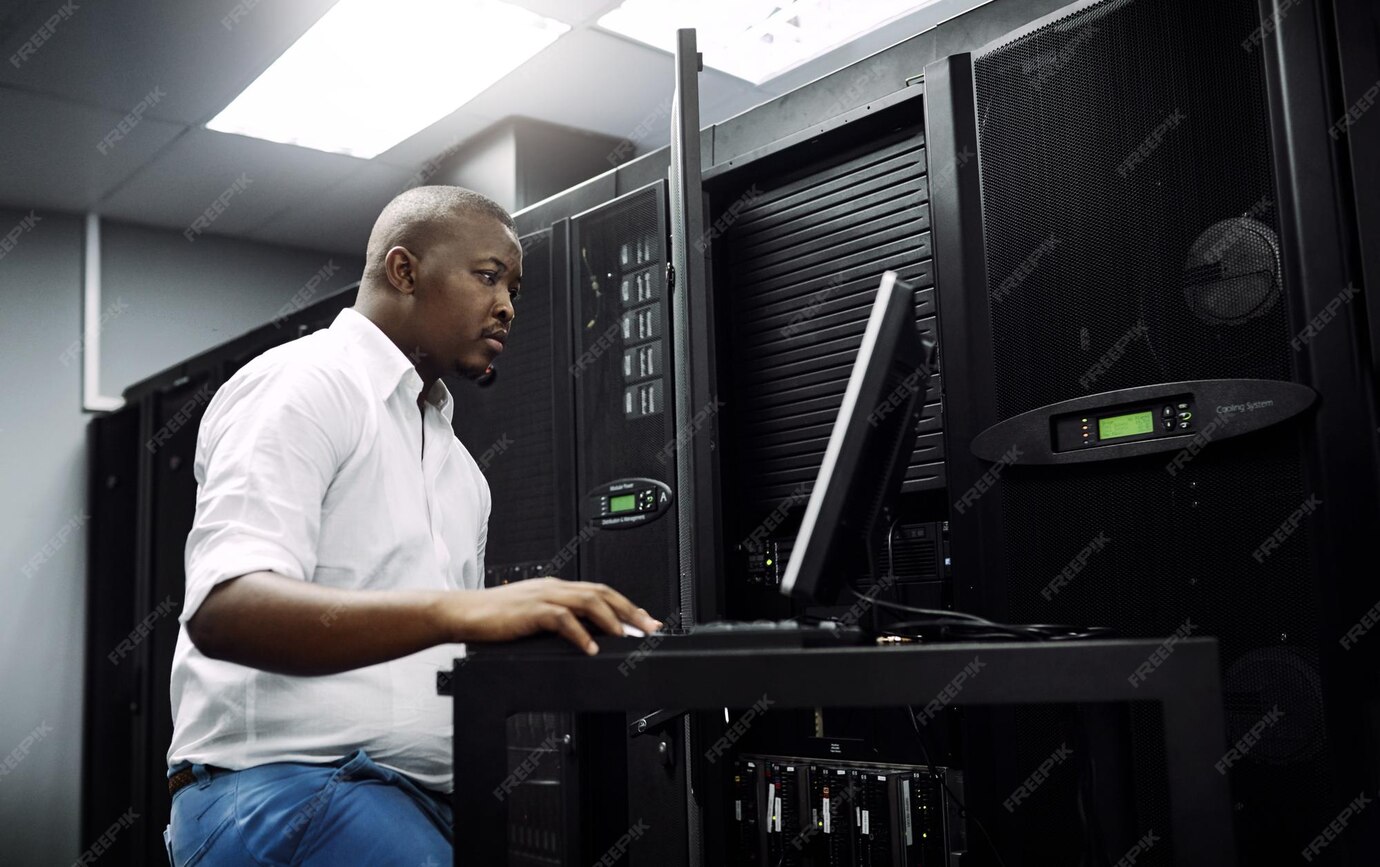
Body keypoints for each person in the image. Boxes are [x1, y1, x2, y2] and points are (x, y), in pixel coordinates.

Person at [163, 186, 660, 866]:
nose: (508, 305)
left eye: (513, 286)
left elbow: (441, 641)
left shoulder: (461, 471)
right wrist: (471, 610)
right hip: (286, 790)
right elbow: (227, 611)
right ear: (404, 271)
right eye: (488, 276)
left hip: (421, 798)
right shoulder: (303, 385)